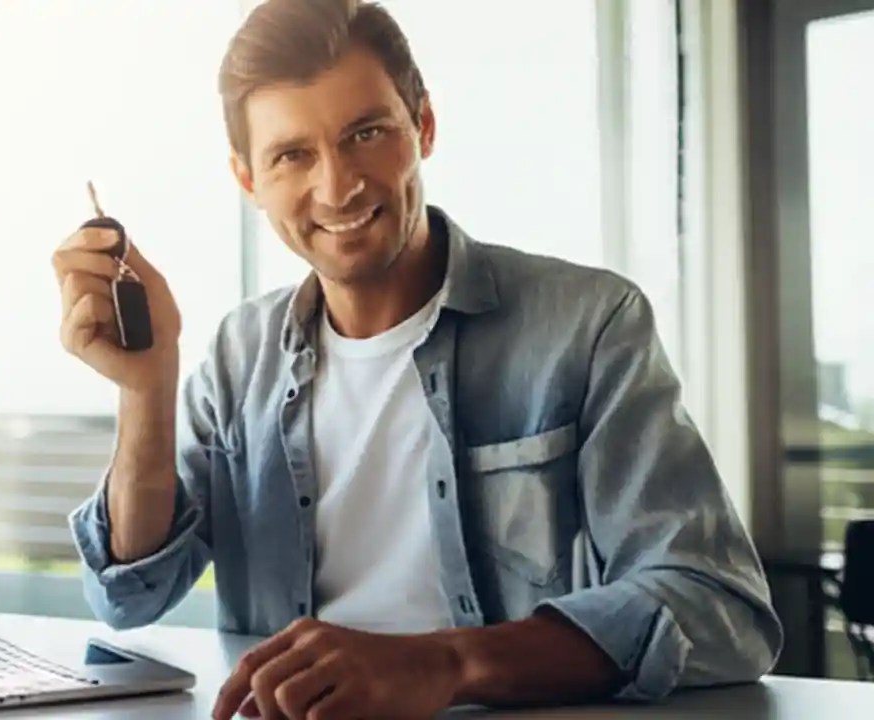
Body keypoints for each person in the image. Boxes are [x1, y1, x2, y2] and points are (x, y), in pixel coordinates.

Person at [51, 0, 782, 717]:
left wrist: (449, 662)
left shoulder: (586, 326)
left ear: (423, 125)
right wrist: (146, 391)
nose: (337, 186)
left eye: (366, 133)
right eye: (292, 155)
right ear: (249, 179)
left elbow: (718, 606)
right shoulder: (239, 356)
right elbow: (129, 594)